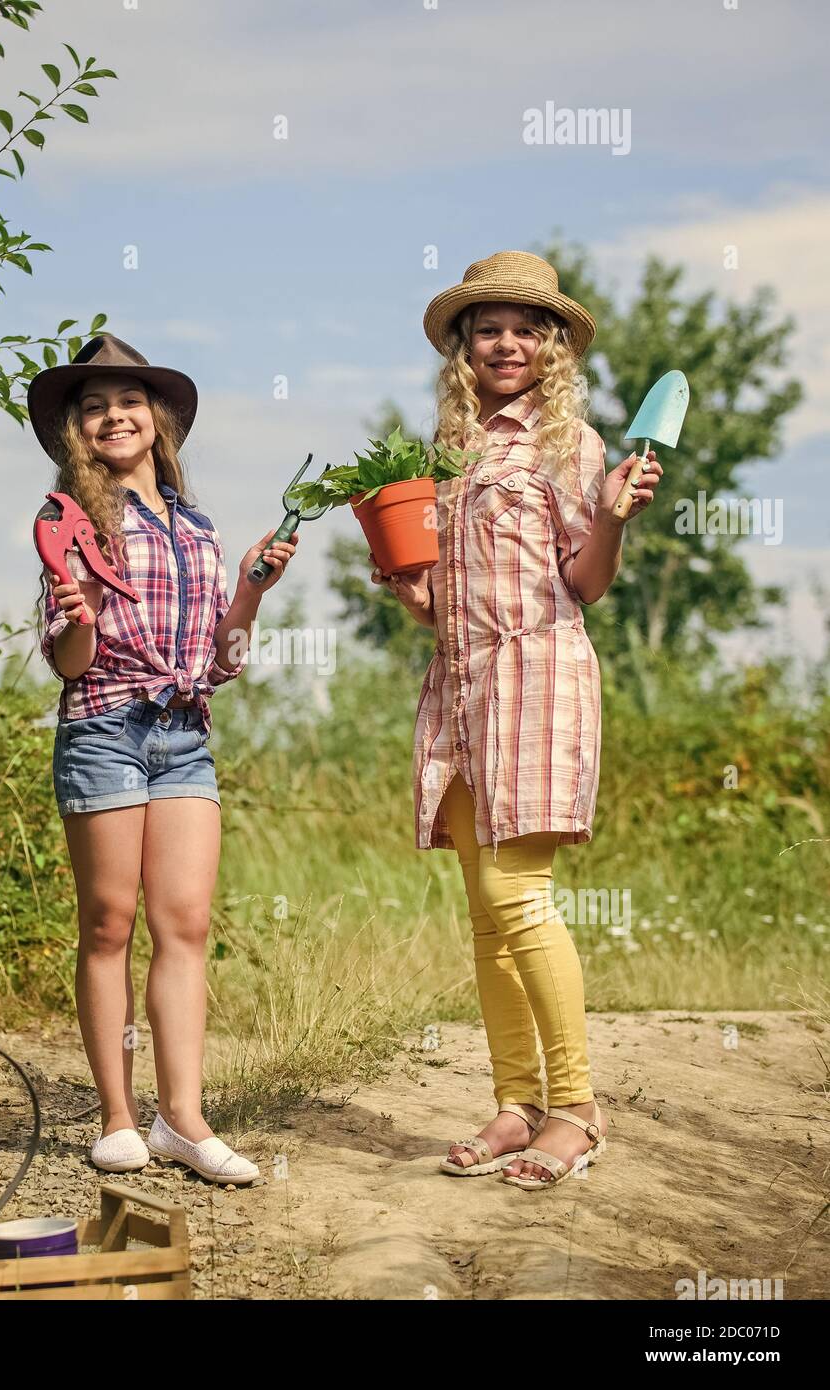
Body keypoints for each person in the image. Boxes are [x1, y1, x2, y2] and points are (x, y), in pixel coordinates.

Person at [373, 252, 661, 1189]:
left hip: (535, 677)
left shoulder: (567, 446)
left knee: (515, 900)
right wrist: (409, 583)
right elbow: (439, 602)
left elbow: (582, 584)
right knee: (484, 920)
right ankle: (516, 1103)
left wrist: (611, 519)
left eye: (524, 329)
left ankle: (576, 1108)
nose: (505, 342)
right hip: (457, 688)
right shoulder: (446, 456)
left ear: (551, 348)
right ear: (463, 345)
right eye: (487, 327)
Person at [28, 333, 297, 1185]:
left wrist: (250, 587)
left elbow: (221, 658)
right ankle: (116, 1117)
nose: (114, 415)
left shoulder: (197, 527)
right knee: (109, 925)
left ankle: (181, 1119)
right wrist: (82, 610)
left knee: (184, 926)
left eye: (128, 401)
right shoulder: (68, 520)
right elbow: (70, 661)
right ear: (78, 428)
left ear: (157, 419)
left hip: (184, 734)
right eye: (96, 405)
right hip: (105, 724)